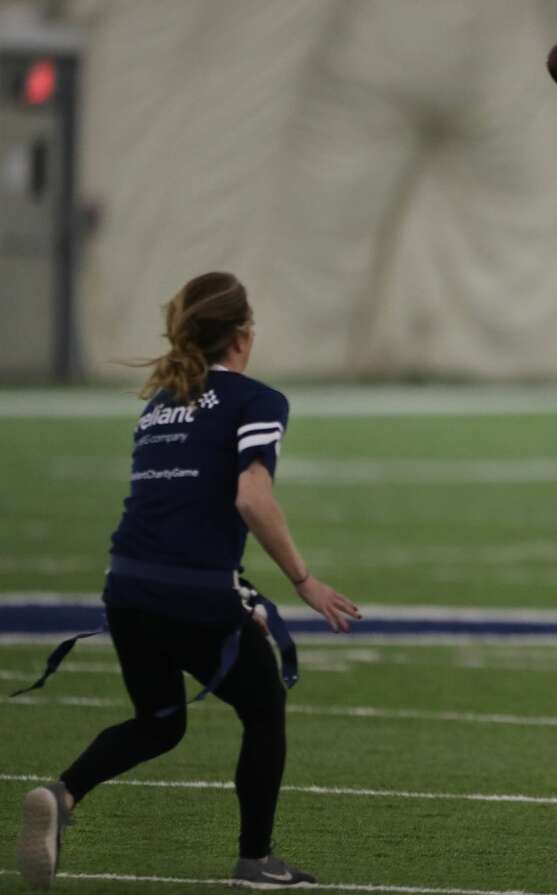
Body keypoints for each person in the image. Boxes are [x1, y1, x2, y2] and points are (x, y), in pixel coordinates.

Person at [15, 272, 362, 890]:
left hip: (126, 586)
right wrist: (302, 581)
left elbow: (178, 509)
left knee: (160, 721)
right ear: (242, 336)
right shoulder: (256, 399)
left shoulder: (160, 404)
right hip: (189, 589)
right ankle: (255, 861)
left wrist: (237, 588)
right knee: (263, 708)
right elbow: (251, 498)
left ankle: (62, 795)